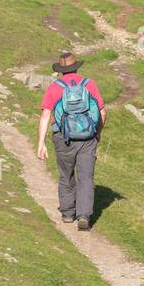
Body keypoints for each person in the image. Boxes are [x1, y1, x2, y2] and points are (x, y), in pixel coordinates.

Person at [37, 51, 105, 230]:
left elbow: (45, 115)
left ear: (60, 70)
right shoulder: (89, 84)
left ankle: (68, 213)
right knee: (86, 177)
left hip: (63, 137)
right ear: (76, 67)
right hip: (87, 138)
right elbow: (102, 113)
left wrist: (41, 143)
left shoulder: (54, 87)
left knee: (66, 174)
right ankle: (83, 216)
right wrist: (97, 133)